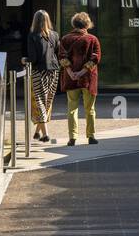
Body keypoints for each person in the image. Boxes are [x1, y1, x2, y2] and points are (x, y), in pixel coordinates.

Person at [59, 11, 101, 146]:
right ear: (87, 24)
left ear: (74, 24)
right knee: (90, 108)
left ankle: (72, 137)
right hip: (88, 78)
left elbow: (62, 57)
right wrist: (83, 71)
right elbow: (95, 58)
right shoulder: (92, 39)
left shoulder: (65, 39)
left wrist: (71, 72)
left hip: (71, 79)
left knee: (72, 108)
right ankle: (91, 136)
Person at [23, 10, 60, 143]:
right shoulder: (55, 35)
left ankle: (45, 134)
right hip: (54, 71)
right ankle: (38, 133)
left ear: (35, 21)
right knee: (47, 102)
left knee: (40, 103)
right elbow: (57, 52)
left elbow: (32, 58)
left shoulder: (32, 36)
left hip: (39, 71)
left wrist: (24, 60)